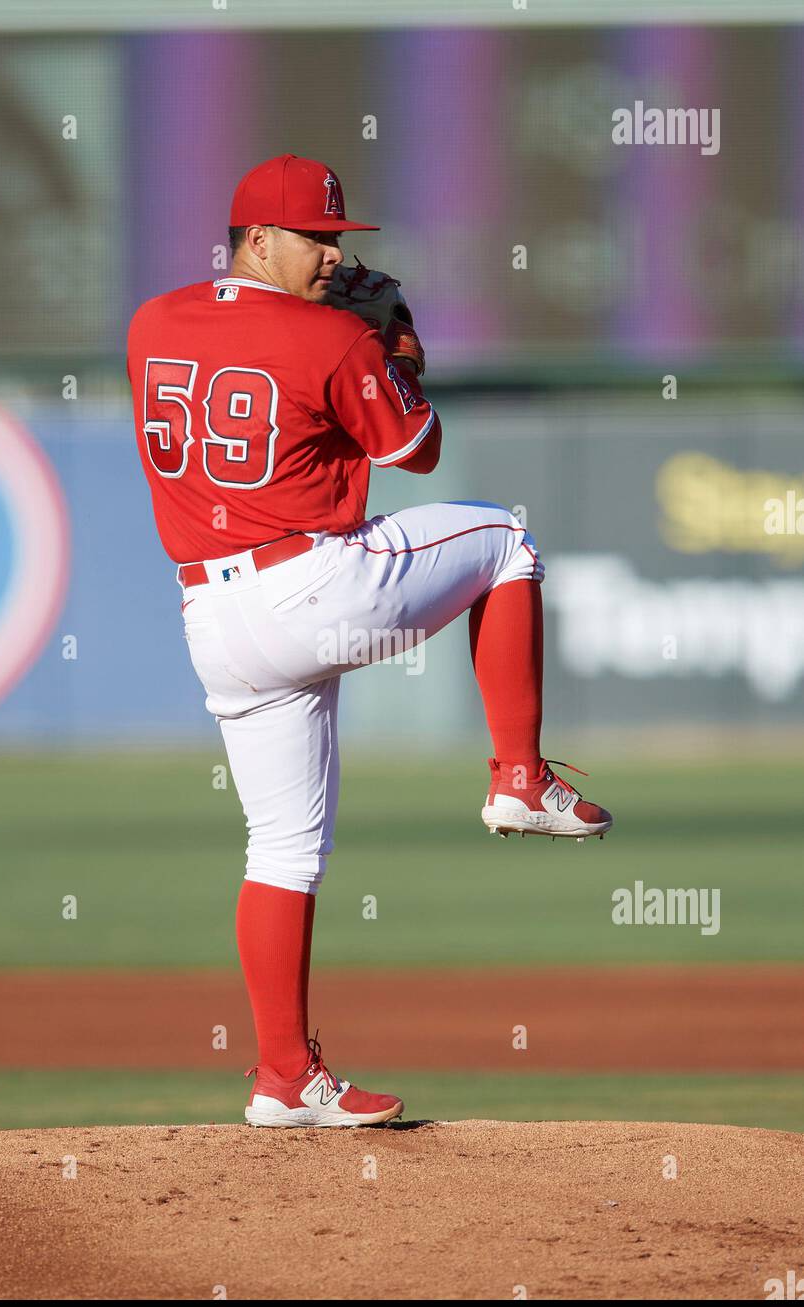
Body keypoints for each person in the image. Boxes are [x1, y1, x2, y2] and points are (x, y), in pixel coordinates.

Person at [127, 153, 612, 1130]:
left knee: (282, 848)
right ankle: (518, 776)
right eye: (313, 240)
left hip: (213, 621)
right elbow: (415, 449)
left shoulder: (152, 322)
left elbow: (245, 379)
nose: (328, 259)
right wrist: (390, 346)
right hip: (309, 584)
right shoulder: (329, 336)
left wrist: (345, 340)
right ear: (254, 237)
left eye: (336, 242)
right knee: (504, 541)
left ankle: (281, 1078)